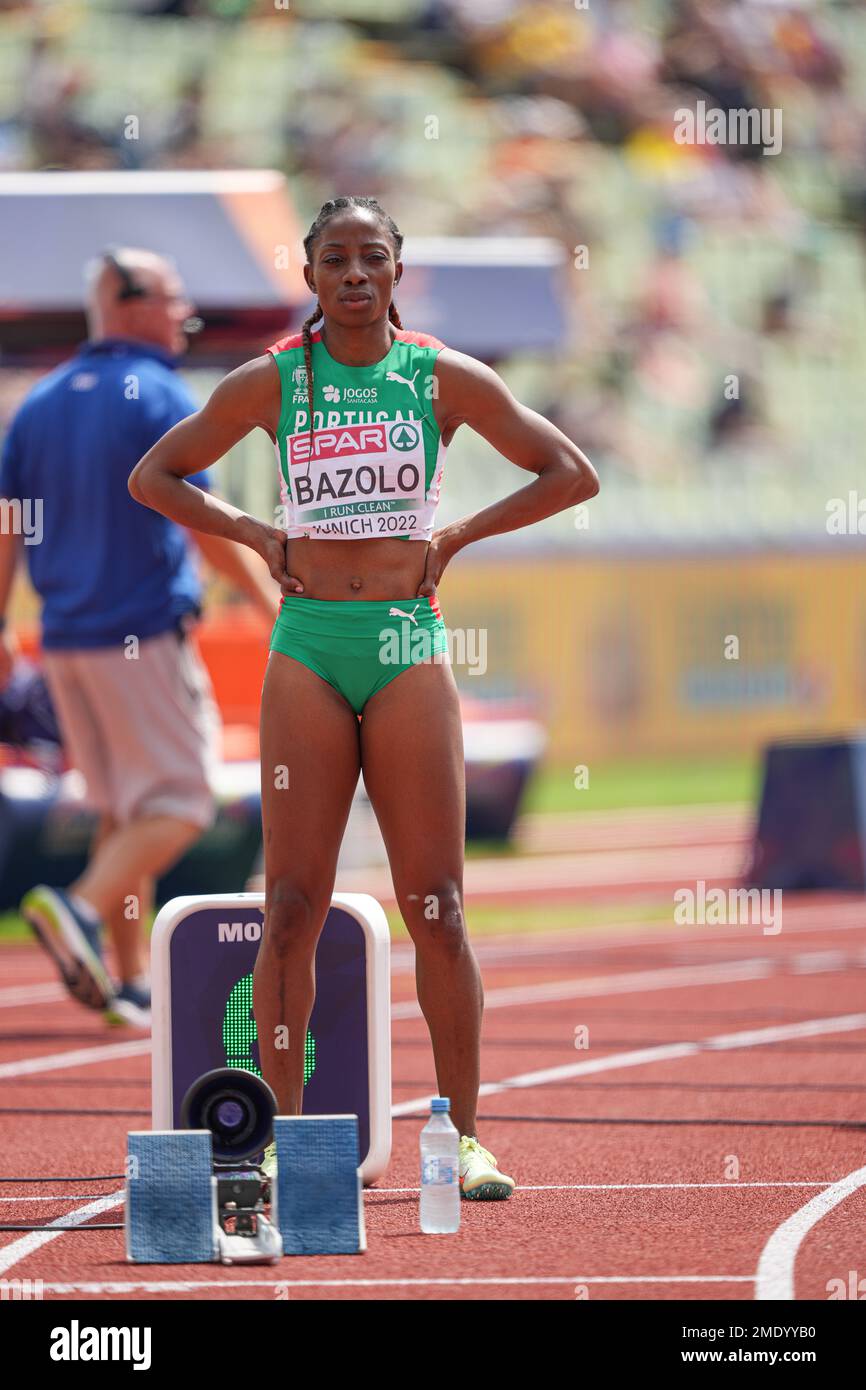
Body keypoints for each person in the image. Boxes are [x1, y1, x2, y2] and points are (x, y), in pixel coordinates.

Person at [129, 196, 599, 1197]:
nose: (353, 274)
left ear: (396, 272)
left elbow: (570, 473)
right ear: (308, 275)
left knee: (439, 906)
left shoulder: (440, 375)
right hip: (307, 645)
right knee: (290, 905)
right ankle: (283, 1141)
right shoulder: (274, 380)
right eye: (335, 259)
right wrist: (255, 534)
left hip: (404, 643)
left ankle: (462, 1137)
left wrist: (455, 537)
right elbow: (155, 476)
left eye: (371, 258)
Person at [0, 248, 279, 1028]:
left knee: (125, 808)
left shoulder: (39, 401)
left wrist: (1, 620)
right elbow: (202, 521)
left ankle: (127, 982)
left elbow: (7, 523)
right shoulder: (157, 393)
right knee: (184, 802)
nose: (186, 314)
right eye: (173, 298)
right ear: (130, 302)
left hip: (64, 641)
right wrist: (270, 602)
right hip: (141, 634)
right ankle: (80, 907)